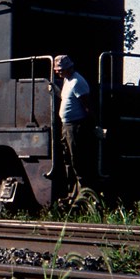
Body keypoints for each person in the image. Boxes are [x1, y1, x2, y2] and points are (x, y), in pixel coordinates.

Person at [52, 54, 93, 200]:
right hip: (66, 125)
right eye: (57, 69)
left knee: (78, 161)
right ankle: (73, 194)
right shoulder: (67, 80)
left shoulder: (77, 82)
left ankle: (84, 195)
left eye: (60, 69)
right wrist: (54, 90)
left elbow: (87, 105)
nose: (57, 72)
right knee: (68, 160)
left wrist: (87, 127)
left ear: (69, 68)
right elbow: (66, 98)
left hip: (75, 126)